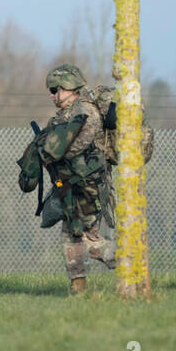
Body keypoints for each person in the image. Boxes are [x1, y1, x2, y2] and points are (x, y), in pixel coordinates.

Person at [37, 64, 116, 294]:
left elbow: (81, 144)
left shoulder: (85, 109)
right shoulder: (68, 112)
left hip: (89, 185)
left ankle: (128, 263)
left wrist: (53, 152)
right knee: (75, 234)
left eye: (55, 89)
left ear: (69, 86)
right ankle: (78, 286)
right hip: (73, 183)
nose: (52, 95)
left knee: (86, 239)